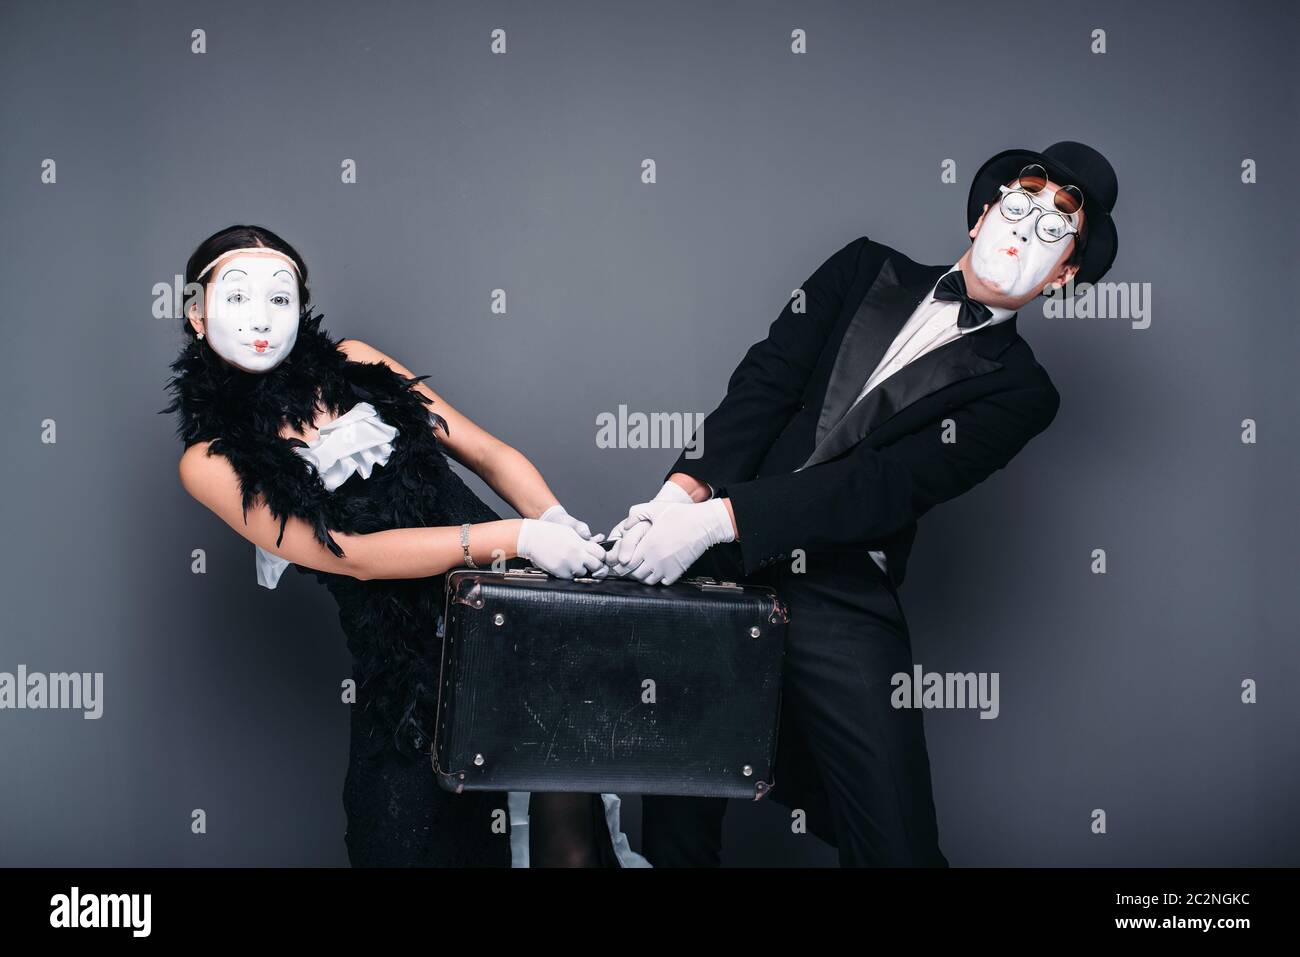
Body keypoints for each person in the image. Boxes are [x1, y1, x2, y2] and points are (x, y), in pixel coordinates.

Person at [605, 141, 1120, 866]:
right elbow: (764, 386)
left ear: (1064, 275)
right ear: (980, 215)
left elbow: (883, 486)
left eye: (1054, 228)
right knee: (677, 809)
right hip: (716, 563)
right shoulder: (859, 267)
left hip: (838, 591)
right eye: (1019, 204)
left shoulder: (1023, 392)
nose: (1025, 228)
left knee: (896, 844)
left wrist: (720, 517)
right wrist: (674, 501)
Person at [162, 224, 647, 868]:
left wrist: (552, 517)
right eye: (238, 297)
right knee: (403, 846)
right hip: (410, 679)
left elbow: (484, 451)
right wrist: (514, 534)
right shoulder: (209, 462)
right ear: (197, 315)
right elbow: (350, 554)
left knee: (568, 851)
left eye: (279, 299)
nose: (260, 319)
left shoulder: (358, 362)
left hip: (521, 632)